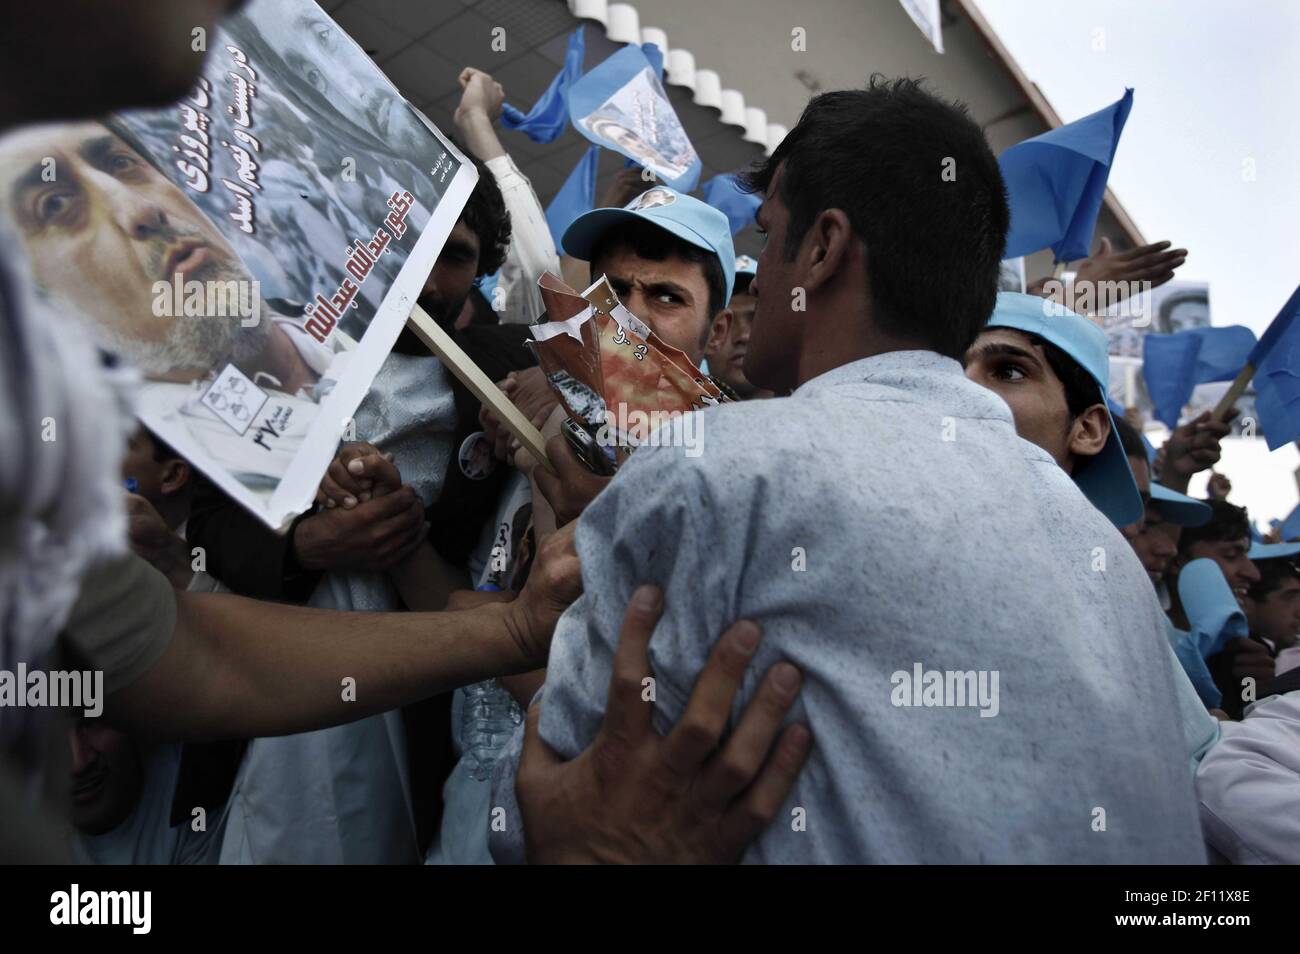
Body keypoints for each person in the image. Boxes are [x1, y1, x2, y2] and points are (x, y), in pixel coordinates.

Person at [0, 0, 802, 864]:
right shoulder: (479, 400)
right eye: (610, 295)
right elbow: (196, 632)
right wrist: (336, 542)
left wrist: (551, 561)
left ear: (721, 333)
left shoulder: (711, 474)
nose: (626, 323)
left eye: (667, 299)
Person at [489, 78, 1204, 863]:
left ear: (823, 249)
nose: (760, 272)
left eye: (770, 235)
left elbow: (540, 812)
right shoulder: (1112, 569)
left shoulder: (719, 470)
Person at [703, 255, 773, 400]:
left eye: (755, 319)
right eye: (722, 325)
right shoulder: (666, 419)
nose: (743, 335)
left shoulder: (823, 415)